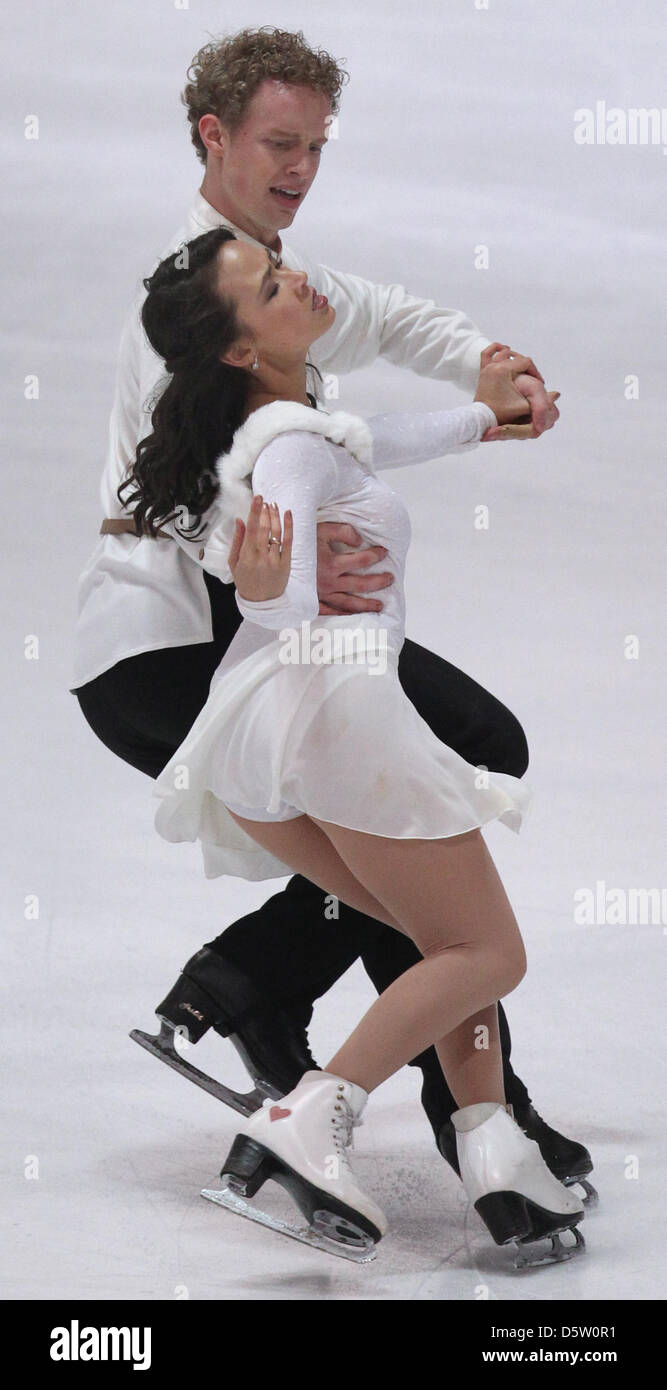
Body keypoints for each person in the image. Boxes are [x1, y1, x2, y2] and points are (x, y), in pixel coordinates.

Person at [70, 26, 594, 1202]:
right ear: (213, 136)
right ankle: (471, 1106)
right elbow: (199, 480)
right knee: (427, 800)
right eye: (278, 141)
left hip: (244, 632)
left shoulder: (268, 275)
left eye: (316, 143)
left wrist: (484, 375)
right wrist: (275, 561)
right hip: (168, 648)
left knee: (445, 781)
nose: (302, 165)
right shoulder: (198, 297)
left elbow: (388, 321)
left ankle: (265, 985)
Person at [132, 224, 585, 1263]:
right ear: (243, 349)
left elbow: (376, 445)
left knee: (442, 950)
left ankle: (494, 1152)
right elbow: (282, 589)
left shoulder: (294, 424)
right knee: (488, 950)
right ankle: (309, 1117)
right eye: (275, 287)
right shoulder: (289, 442)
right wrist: (265, 581)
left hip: (264, 728)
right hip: (335, 716)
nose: (301, 285)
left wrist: (485, 419)